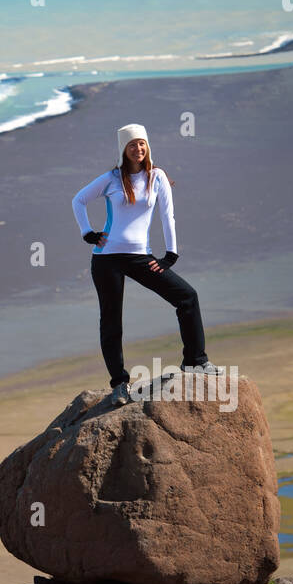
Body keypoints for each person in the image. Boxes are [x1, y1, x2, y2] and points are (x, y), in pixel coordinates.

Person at [71, 122, 221, 404]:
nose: (137, 149)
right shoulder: (111, 179)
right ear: (123, 150)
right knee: (112, 320)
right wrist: (87, 233)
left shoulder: (157, 177)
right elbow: (78, 200)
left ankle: (195, 361)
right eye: (132, 145)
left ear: (147, 146)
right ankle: (119, 384)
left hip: (141, 256)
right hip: (107, 259)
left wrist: (170, 255)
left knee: (187, 297)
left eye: (141, 144)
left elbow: (168, 216)